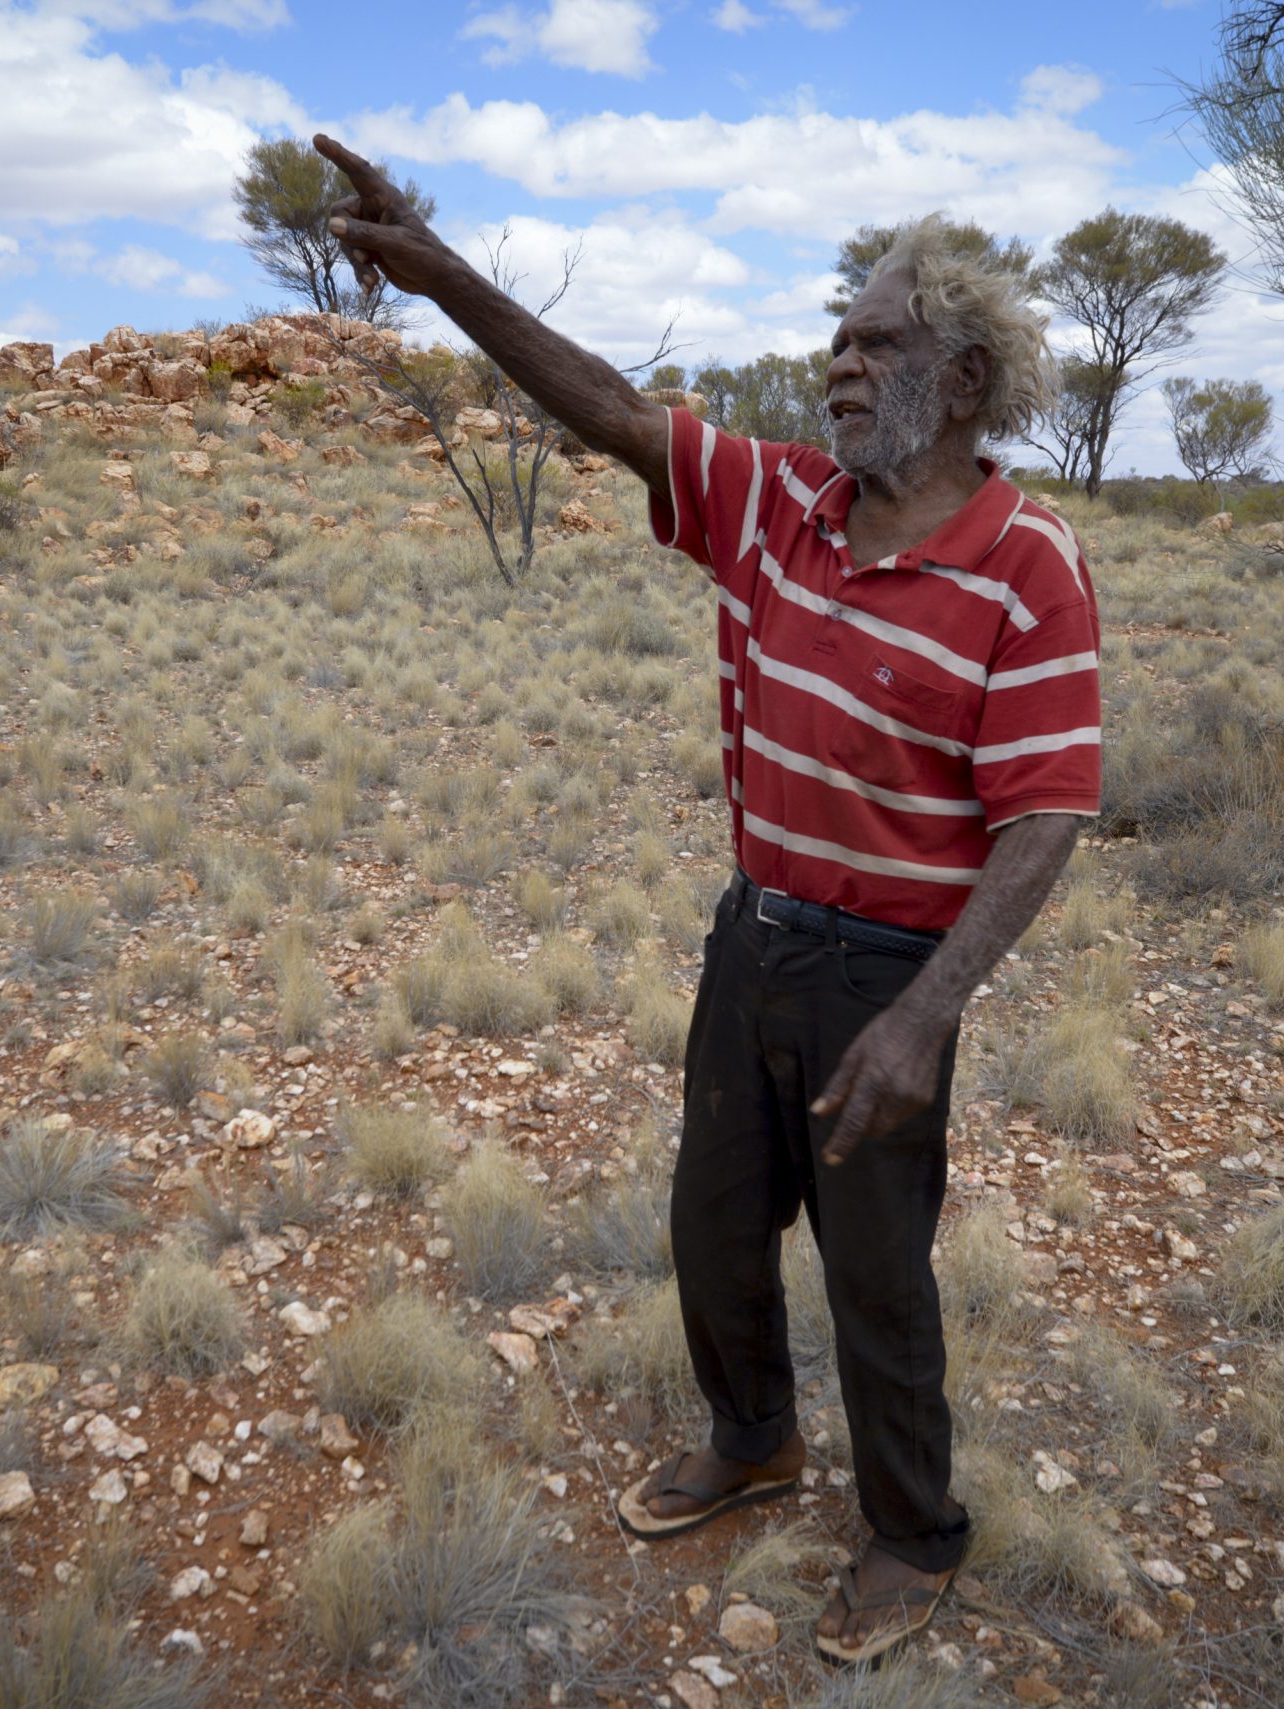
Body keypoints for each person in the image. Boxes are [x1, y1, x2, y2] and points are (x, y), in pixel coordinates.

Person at [312, 134, 1101, 1667]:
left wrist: (928, 1016)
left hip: (891, 971)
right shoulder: (779, 506)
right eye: (840, 334)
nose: (839, 361)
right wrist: (444, 270)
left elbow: (1048, 814)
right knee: (714, 1223)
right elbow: (610, 405)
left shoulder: (1029, 566)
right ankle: (753, 1440)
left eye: (880, 342)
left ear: (968, 376)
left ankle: (911, 1532)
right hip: (755, 937)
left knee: (877, 1265)